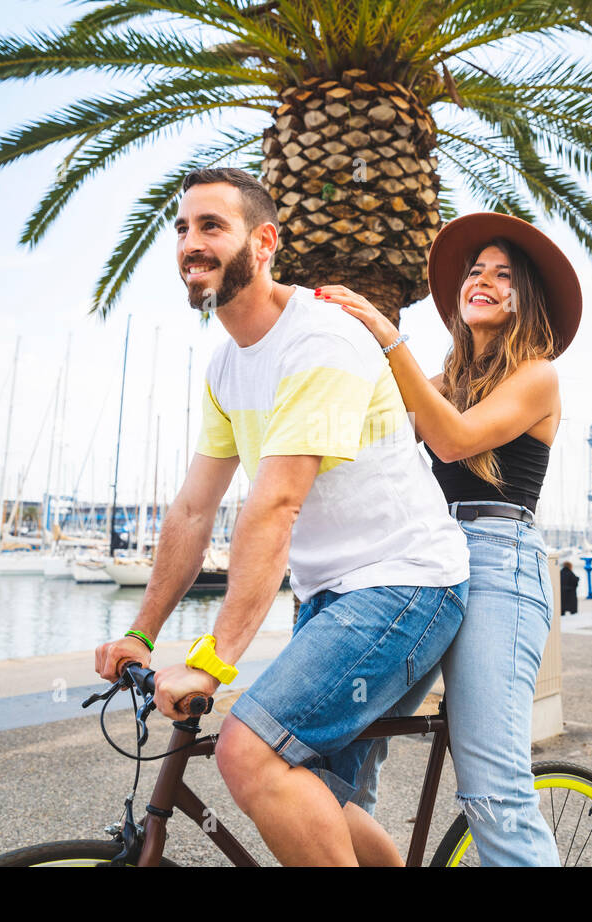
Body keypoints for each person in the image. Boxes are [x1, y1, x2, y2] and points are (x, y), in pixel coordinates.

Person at [92, 168, 470, 866]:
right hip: (329, 596)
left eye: (211, 226)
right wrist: (140, 631)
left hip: (407, 584)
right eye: (181, 229)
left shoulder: (318, 341)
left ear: (263, 243)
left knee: (247, 752)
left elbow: (276, 503)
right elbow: (192, 508)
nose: (189, 243)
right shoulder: (227, 365)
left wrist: (212, 663)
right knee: (326, 799)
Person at [317, 209, 581, 866]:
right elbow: (364, 445)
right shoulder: (439, 385)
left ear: (527, 300)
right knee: (331, 761)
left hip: (499, 568)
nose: (481, 280)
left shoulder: (537, 375)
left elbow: (453, 438)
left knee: (492, 790)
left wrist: (386, 336)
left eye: (502, 275)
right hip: (424, 565)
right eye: (474, 271)